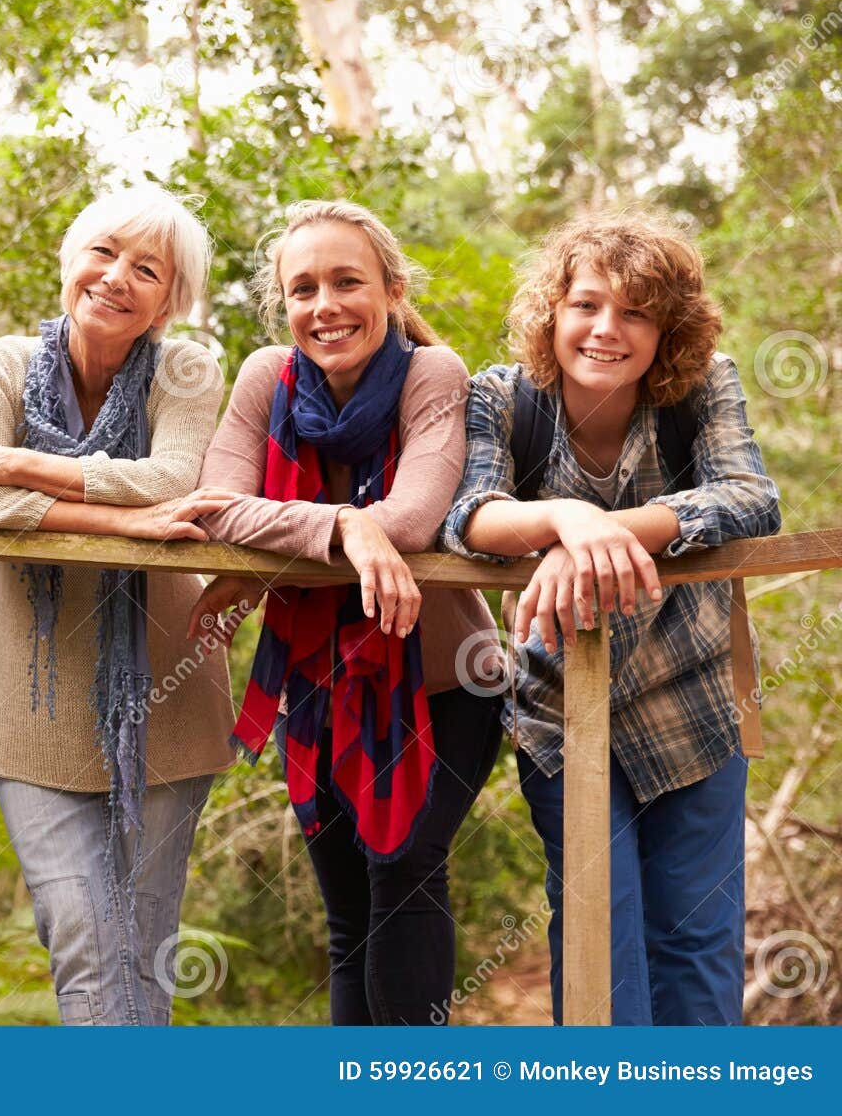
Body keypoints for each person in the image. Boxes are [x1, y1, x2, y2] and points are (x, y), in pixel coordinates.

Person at [0, 184, 237, 1025]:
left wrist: (16, 465)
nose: (117, 277)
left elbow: (172, 482)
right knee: (84, 941)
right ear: (71, 258)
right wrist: (113, 516)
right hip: (30, 710)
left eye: (146, 267)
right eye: (103, 251)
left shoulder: (188, 367)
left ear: (172, 298)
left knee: (141, 952)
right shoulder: (1, 365)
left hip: (169, 705)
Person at [442, 210, 781, 1025]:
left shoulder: (701, 388)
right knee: (598, 936)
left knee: (696, 940)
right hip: (563, 710)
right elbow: (470, 516)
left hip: (695, 698)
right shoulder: (501, 396)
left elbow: (750, 495)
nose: (606, 329)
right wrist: (567, 517)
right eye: (587, 304)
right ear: (551, 312)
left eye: (636, 312)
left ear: (670, 329)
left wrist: (602, 535)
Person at [188, 199, 505, 1026]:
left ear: (392, 290)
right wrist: (345, 526)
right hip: (317, 685)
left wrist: (360, 528)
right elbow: (217, 507)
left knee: (402, 874)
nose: (323, 304)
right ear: (282, 305)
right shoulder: (267, 378)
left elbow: (417, 515)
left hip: (446, 682)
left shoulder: (433, 374)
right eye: (303, 288)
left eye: (346, 281)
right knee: (348, 918)